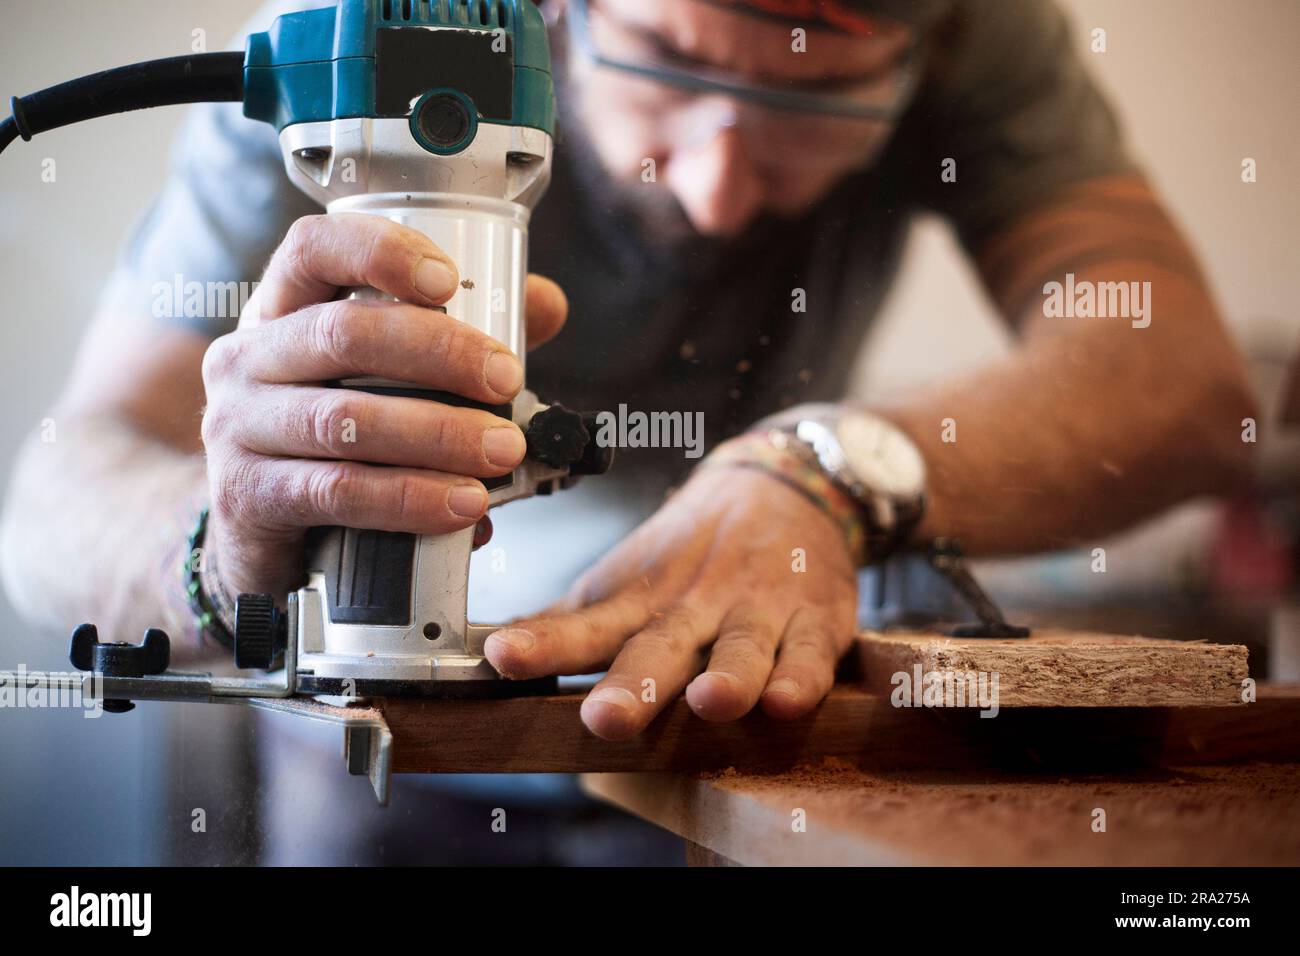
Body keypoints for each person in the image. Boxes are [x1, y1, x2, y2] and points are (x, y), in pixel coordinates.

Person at [2, 0, 1255, 748]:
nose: (713, 189)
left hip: (742, 711)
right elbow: (54, 503)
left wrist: (822, 470)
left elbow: (1186, 379)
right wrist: (223, 544)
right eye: (667, 58)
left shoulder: (968, 24)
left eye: (814, 105)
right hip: (394, 752)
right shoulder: (361, 40)